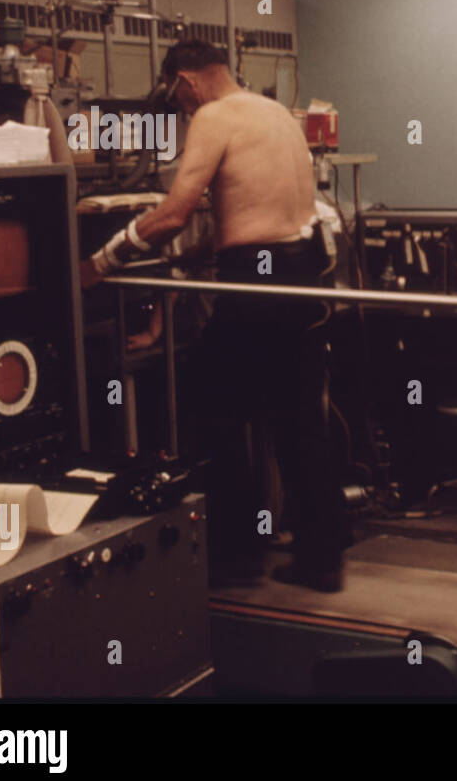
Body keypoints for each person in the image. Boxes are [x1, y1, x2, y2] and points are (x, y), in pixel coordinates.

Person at [81, 39, 346, 591]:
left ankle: (236, 557)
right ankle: (322, 560)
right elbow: (261, 213)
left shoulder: (212, 116)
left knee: (212, 406)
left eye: (177, 99)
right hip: (301, 274)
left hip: (259, 282)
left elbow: (175, 212)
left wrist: (104, 260)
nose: (180, 109)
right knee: (300, 420)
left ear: (186, 82)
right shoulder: (274, 112)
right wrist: (201, 258)